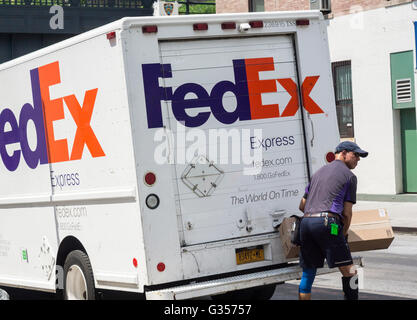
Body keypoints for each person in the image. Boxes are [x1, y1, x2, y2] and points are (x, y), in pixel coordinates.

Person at [297, 141, 368, 300]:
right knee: (351, 271)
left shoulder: (318, 173)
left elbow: (302, 205)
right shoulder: (350, 177)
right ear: (343, 153)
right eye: (355, 155)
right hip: (328, 223)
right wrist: (341, 234)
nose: (358, 159)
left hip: (306, 223)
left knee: (308, 272)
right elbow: (347, 214)